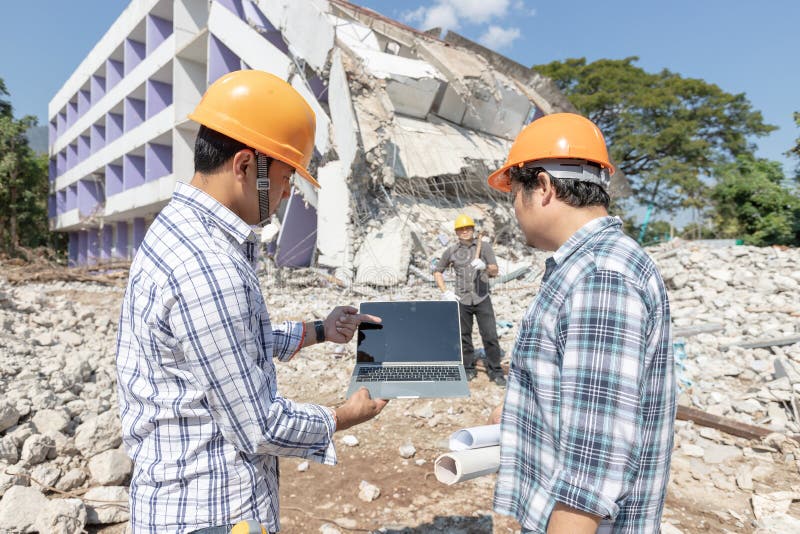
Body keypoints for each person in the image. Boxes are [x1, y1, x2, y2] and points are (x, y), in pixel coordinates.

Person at [115, 70, 387, 534]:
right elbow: (259, 426)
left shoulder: (180, 231)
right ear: (245, 165)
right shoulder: (208, 265)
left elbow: (227, 343)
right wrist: (344, 416)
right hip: (211, 515)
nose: (287, 192)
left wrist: (320, 331)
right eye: (285, 177)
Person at [486, 113, 675, 533]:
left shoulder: (599, 275)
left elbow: (595, 462)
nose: (514, 208)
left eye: (514, 194)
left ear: (543, 187)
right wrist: (522, 405)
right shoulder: (591, 264)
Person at [433, 214, 506, 386]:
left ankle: (496, 371)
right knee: (463, 336)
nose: (465, 231)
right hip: (461, 299)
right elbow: (437, 272)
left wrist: (485, 267)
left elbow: (495, 270)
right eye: (461, 229)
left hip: (482, 297)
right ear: (456, 232)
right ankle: (468, 368)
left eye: (468, 228)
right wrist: (445, 292)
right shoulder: (451, 251)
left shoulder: (484, 247)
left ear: (473, 229)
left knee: (490, 335)